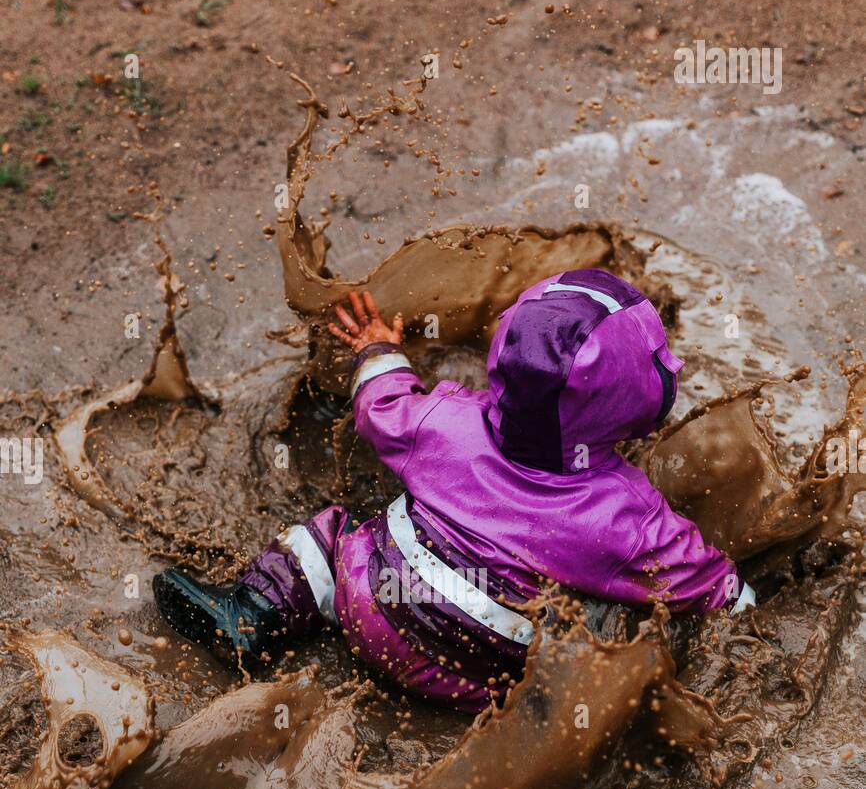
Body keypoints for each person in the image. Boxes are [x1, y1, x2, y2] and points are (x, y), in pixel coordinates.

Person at [153, 269, 754, 713]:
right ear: (640, 403)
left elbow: (381, 406)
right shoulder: (627, 518)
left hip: (369, 605)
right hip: (477, 676)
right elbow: (698, 581)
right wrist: (747, 601)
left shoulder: (444, 421)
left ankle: (252, 614)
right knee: (599, 623)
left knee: (330, 533)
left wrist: (377, 350)